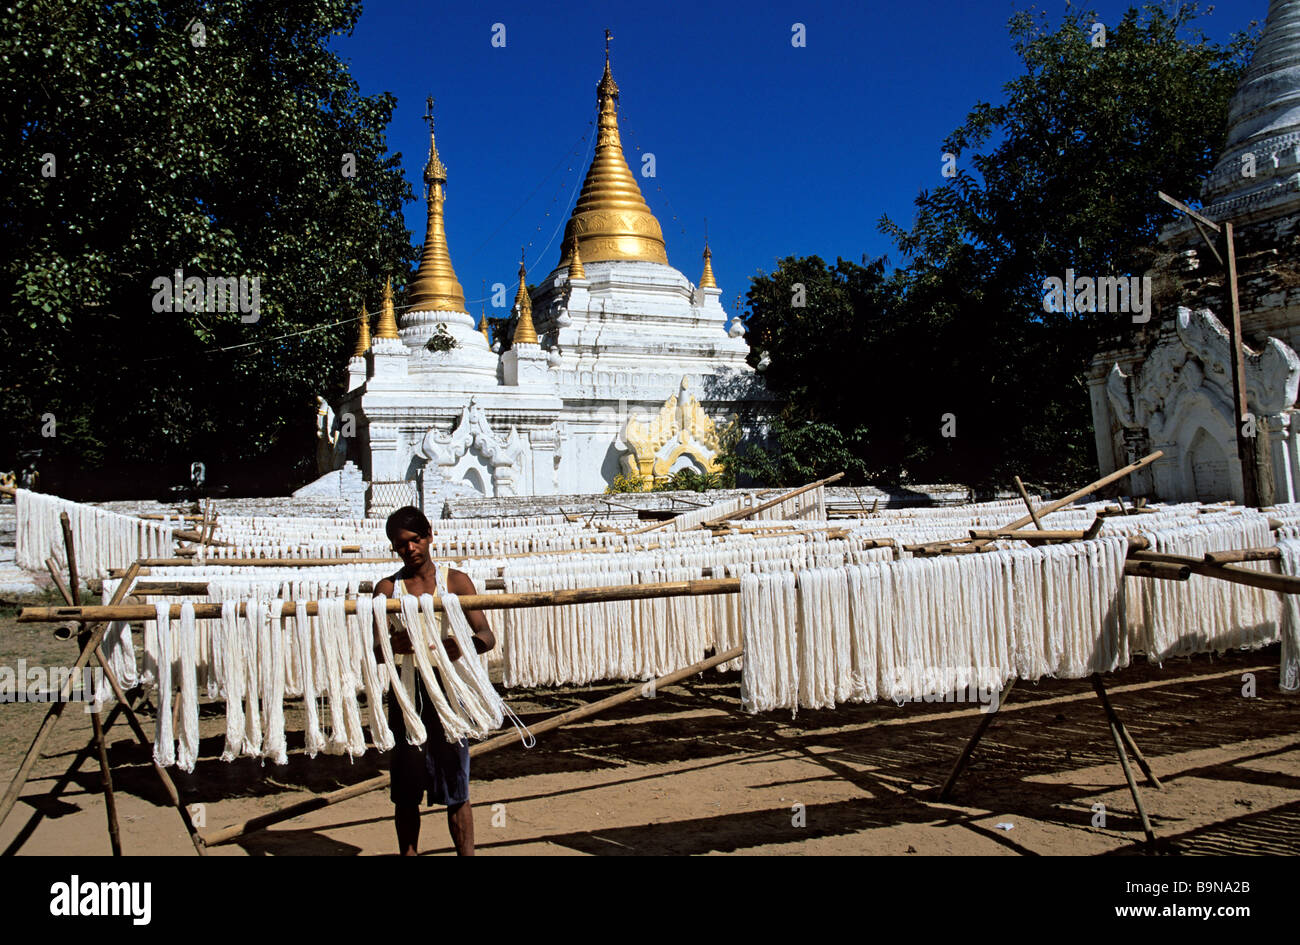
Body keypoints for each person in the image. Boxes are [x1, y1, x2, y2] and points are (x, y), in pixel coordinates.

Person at [374, 505, 495, 856]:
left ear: (429, 536)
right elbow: (376, 652)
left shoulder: (455, 582)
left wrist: (462, 646)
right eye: (400, 544)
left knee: (457, 787)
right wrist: (393, 645)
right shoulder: (387, 590)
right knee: (407, 789)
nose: (409, 549)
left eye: (415, 540)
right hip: (408, 697)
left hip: (450, 696)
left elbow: (487, 635)